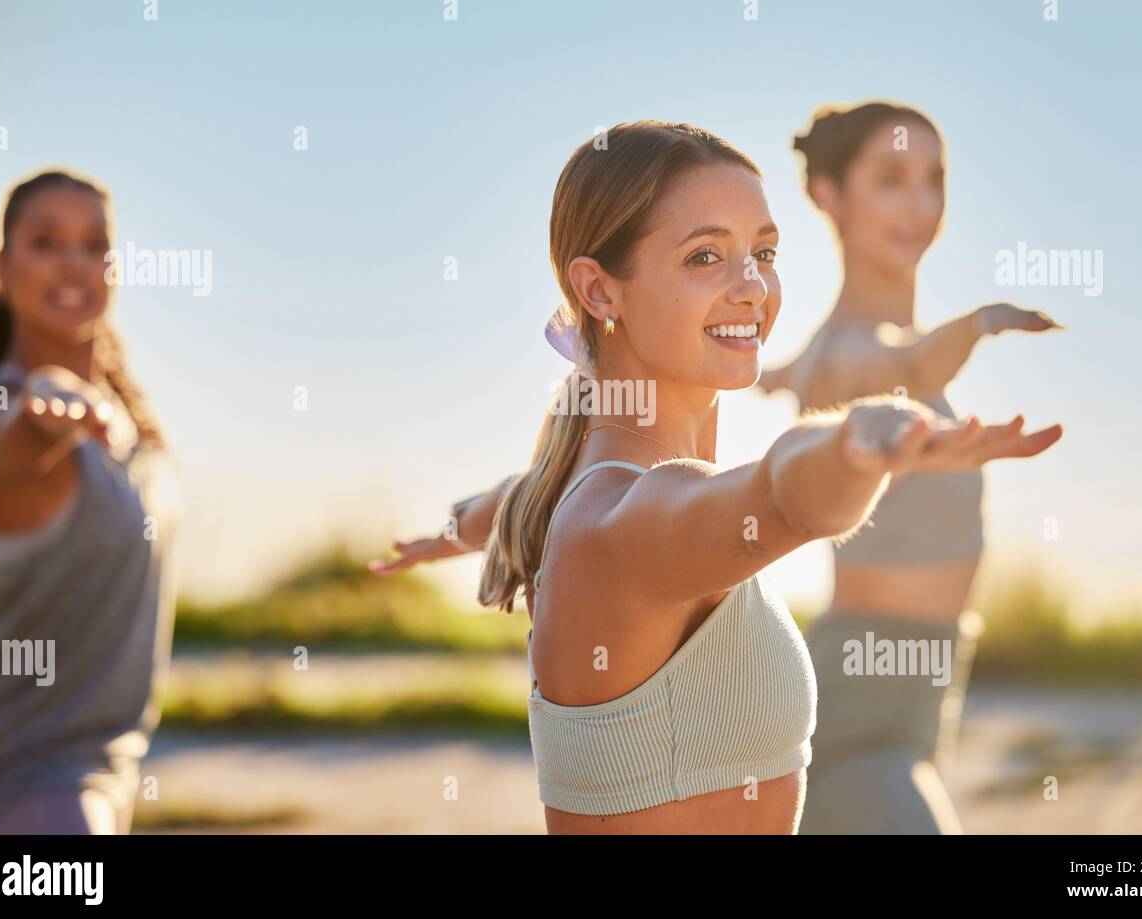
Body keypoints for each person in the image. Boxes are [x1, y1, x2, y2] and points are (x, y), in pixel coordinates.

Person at [374, 121, 1061, 834]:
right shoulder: (628, 519)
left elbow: (514, 500)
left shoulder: (568, 494)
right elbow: (781, 493)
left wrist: (456, 527)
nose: (753, 286)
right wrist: (859, 440)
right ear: (601, 292)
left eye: (763, 252)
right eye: (706, 256)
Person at [759, 100, 1063, 833]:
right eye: (890, 178)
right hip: (857, 722)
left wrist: (768, 375)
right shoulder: (854, 355)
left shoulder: (818, 355)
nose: (920, 203)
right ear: (827, 196)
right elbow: (903, 358)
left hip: (912, 710)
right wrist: (980, 322)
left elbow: (791, 370)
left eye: (934, 179)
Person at [0, 170, 182, 834]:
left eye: (93, 244)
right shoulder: (6, 411)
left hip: (101, 762)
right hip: (28, 765)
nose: (73, 263)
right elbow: (11, 431)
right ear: (4, 264)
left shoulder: (125, 416)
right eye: (46, 241)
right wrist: (44, 405)